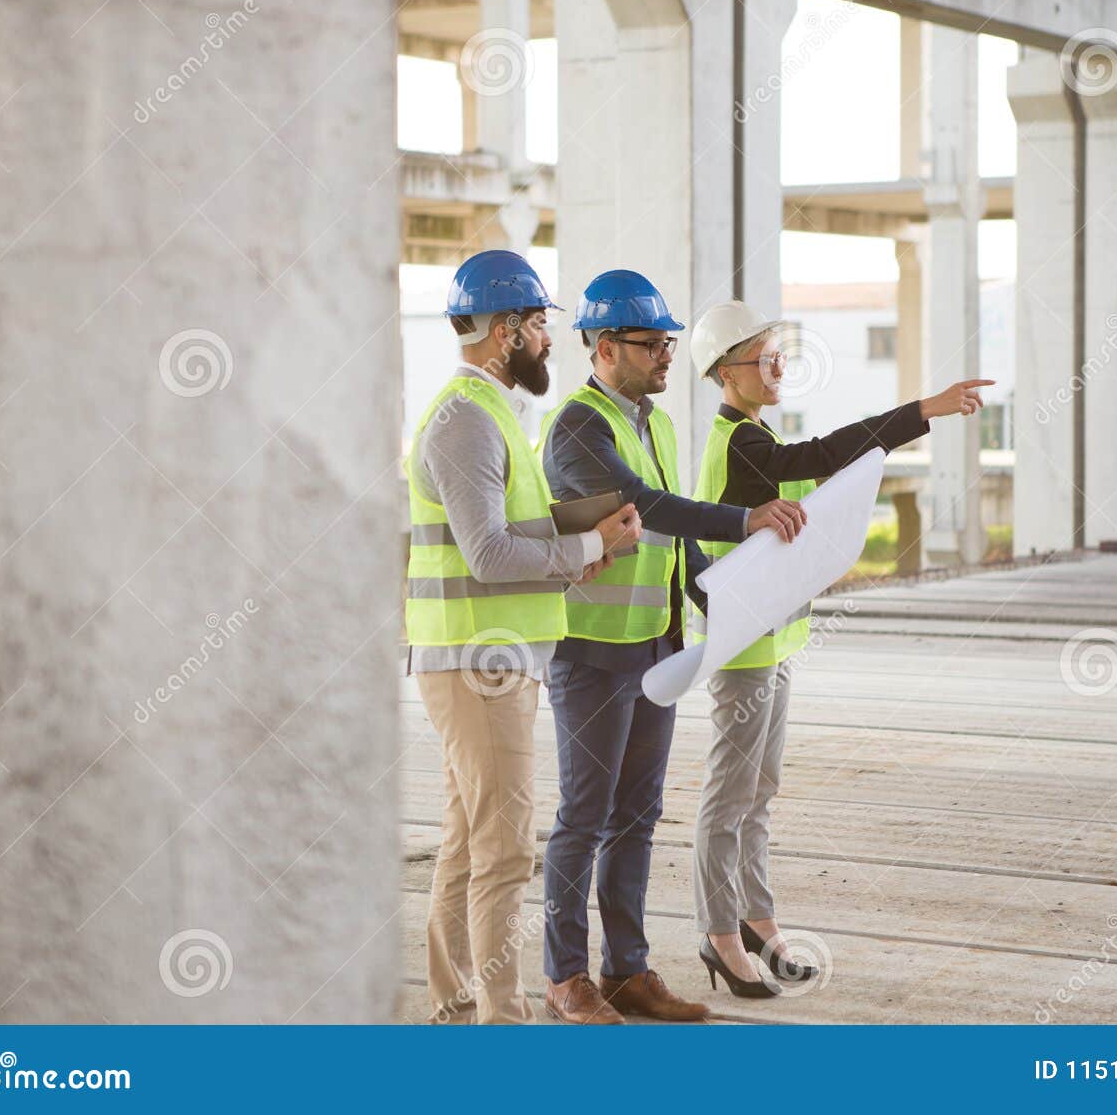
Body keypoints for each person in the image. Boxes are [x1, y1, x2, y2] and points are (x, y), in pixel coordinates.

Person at [685, 300, 992, 997]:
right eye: (764, 357)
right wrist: (922, 409)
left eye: (778, 352)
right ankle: (718, 929)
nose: (778, 365)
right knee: (728, 797)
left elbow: (813, 473)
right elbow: (822, 454)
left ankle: (757, 918)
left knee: (758, 791)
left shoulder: (753, 435)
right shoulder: (739, 443)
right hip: (742, 651)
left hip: (772, 637)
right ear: (727, 373)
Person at [538, 271, 808, 1024]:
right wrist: (745, 517)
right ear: (601, 347)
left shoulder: (653, 422)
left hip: (654, 648)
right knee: (584, 816)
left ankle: (627, 970)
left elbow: (673, 536)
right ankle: (565, 975)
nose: (665, 354)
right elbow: (646, 506)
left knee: (637, 813)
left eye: (667, 342)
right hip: (591, 652)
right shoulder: (577, 428)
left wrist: (714, 612)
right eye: (650, 343)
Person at [406, 250, 640, 1024]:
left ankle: (454, 1005)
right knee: (505, 852)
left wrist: (588, 531)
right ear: (505, 329)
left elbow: (510, 529)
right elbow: (488, 553)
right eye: (540, 324)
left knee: (470, 840)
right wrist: (583, 550)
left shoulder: (493, 411)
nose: (548, 339)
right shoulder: (466, 420)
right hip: (481, 661)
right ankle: (500, 1024)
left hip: (488, 657)